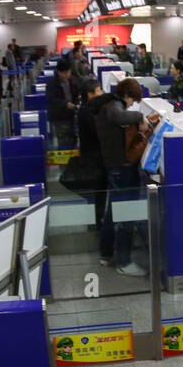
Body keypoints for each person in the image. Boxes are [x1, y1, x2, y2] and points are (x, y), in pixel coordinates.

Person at [96, 78, 158, 276]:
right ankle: (123, 261)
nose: (132, 104)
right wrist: (140, 116)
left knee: (113, 213)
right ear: (127, 95)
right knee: (126, 214)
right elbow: (119, 117)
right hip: (120, 170)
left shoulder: (108, 103)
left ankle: (105, 253)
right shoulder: (114, 105)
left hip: (113, 167)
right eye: (133, 101)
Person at [76, 79, 109, 227]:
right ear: (90, 95)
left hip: (94, 156)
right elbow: (98, 133)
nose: (101, 93)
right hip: (93, 158)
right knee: (98, 192)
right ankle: (97, 222)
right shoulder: (87, 112)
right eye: (98, 90)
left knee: (99, 192)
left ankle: (97, 219)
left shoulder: (88, 109)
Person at [47, 58, 79, 144]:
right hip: (59, 116)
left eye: (69, 72)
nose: (68, 75)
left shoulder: (73, 80)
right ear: (60, 72)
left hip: (72, 114)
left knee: (73, 138)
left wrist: (77, 99)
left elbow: (76, 93)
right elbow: (51, 99)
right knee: (63, 139)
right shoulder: (52, 84)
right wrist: (65, 104)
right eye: (66, 73)